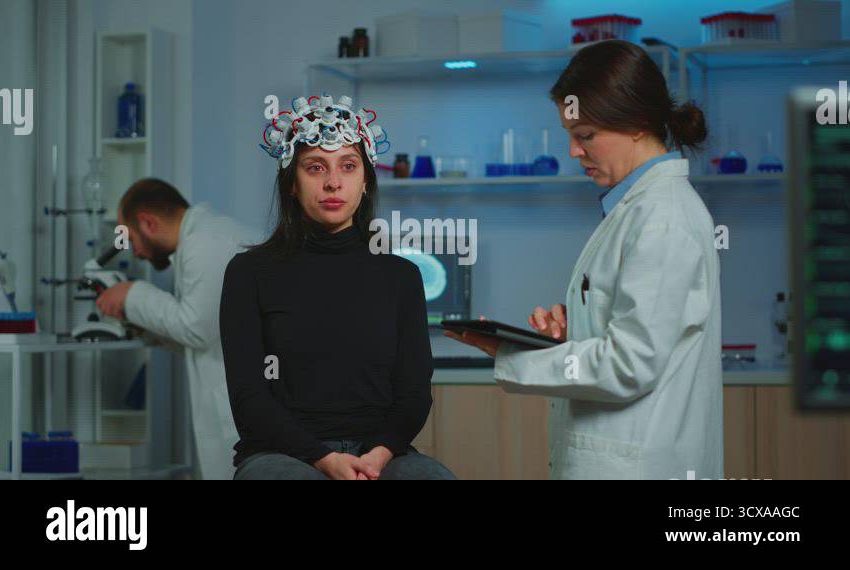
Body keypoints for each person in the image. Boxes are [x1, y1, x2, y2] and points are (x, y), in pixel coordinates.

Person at [446, 40, 723, 480]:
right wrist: (580, 330)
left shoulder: (662, 217)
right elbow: (640, 337)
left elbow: (629, 364)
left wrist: (512, 355)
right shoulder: (639, 208)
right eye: (571, 136)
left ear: (636, 123)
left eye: (585, 135)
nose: (574, 151)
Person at [219, 94, 455, 480]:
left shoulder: (400, 277)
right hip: (282, 454)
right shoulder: (249, 273)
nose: (332, 182)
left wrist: (377, 457)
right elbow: (249, 398)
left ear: (365, 182)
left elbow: (413, 394)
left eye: (348, 166)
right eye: (315, 168)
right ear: (292, 184)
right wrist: (324, 460)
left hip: (381, 454)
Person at [96, 178, 250, 480]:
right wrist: (144, 328)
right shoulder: (200, 240)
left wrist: (132, 293)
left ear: (148, 222)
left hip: (241, 412)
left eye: (131, 239)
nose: (135, 252)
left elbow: (196, 329)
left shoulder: (207, 241)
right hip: (234, 403)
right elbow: (205, 336)